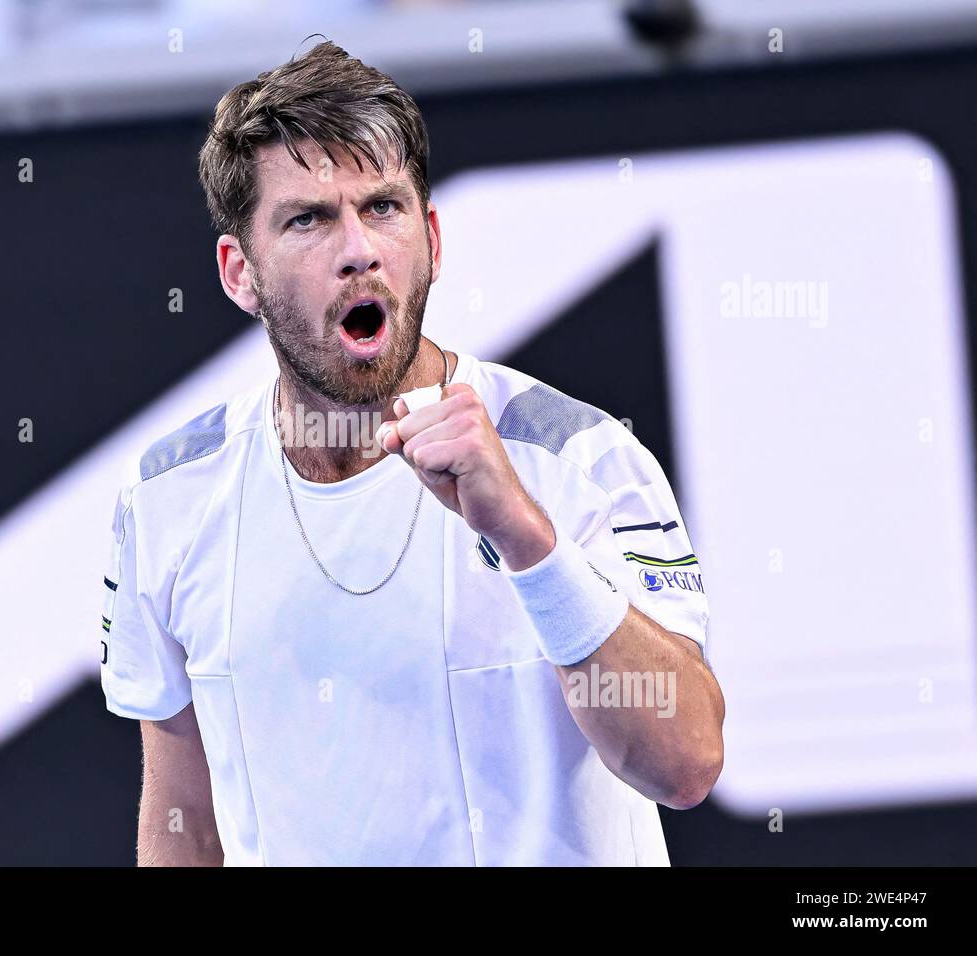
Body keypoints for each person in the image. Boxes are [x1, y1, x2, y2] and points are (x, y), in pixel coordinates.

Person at [99, 40, 725, 866]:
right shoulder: (170, 499)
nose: (358, 249)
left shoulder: (580, 458)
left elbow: (685, 765)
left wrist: (530, 542)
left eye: (384, 207)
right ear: (238, 272)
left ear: (430, 237)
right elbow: (183, 816)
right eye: (309, 219)